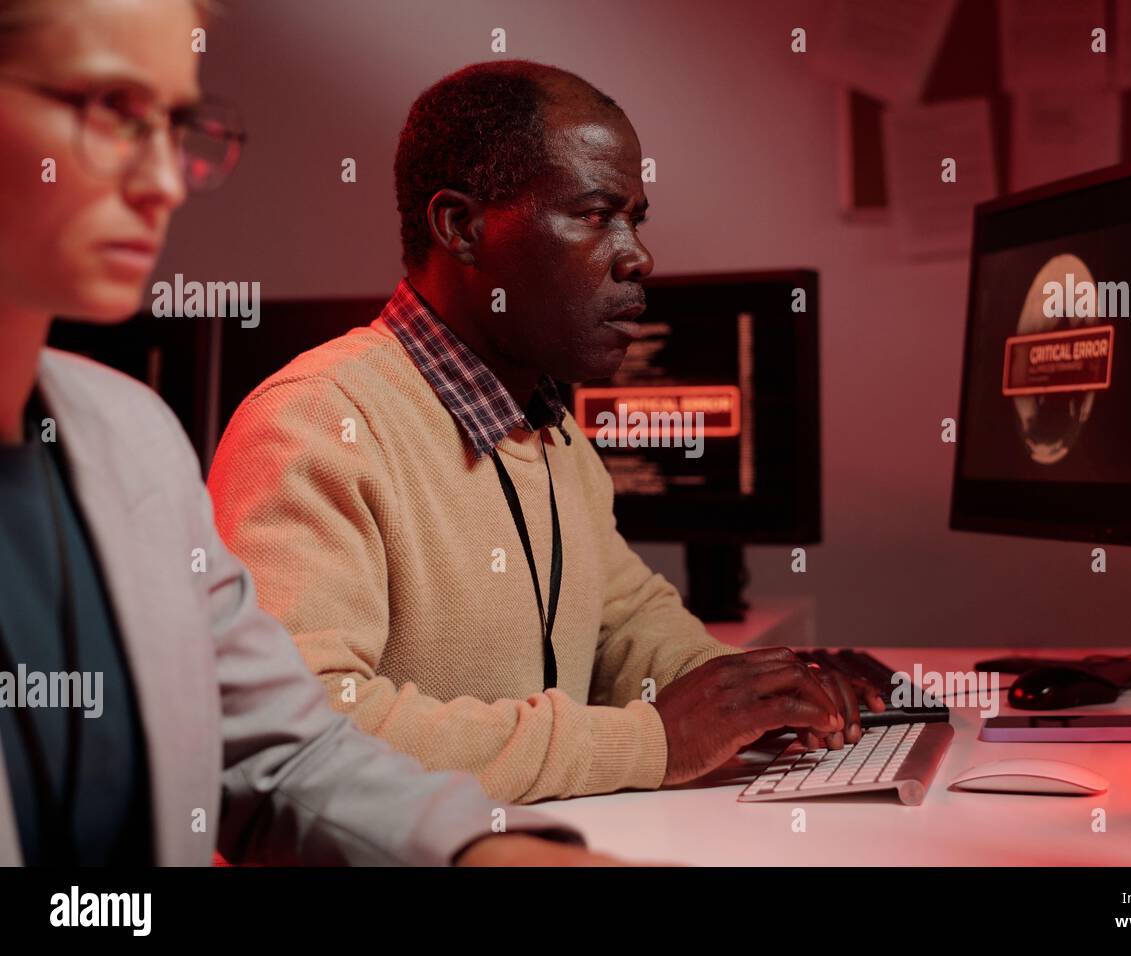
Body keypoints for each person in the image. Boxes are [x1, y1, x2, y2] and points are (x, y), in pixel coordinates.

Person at [0, 0, 613, 866]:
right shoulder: (317, 412)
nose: (164, 181)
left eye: (177, 126)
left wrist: (502, 857)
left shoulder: (131, 437)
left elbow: (281, 757)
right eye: (110, 110)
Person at [209, 59, 884, 804]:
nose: (639, 255)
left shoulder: (550, 431)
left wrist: (745, 697)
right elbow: (301, 734)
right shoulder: (315, 421)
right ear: (462, 227)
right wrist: (653, 742)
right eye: (596, 214)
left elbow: (621, 621)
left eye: (636, 217)